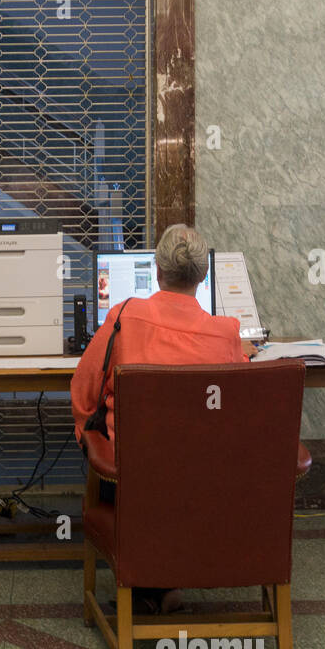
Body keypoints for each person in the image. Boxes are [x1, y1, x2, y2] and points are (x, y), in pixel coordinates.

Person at [70, 223, 251, 612]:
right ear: (204, 277)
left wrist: (89, 438)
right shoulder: (228, 334)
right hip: (208, 485)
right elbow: (240, 404)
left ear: (157, 271)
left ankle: (147, 578)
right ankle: (165, 580)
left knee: (104, 445)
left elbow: (84, 393)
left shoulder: (123, 318)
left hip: (135, 481)